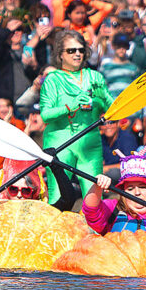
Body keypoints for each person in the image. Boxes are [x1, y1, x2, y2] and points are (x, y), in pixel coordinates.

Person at [39, 29, 113, 203]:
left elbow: (112, 111)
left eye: (81, 50)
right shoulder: (53, 79)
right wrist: (70, 106)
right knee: (58, 198)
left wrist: (102, 97)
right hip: (60, 144)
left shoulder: (94, 76)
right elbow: (46, 115)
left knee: (94, 200)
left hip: (90, 145)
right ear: (60, 54)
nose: (77, 54)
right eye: (71, 50)